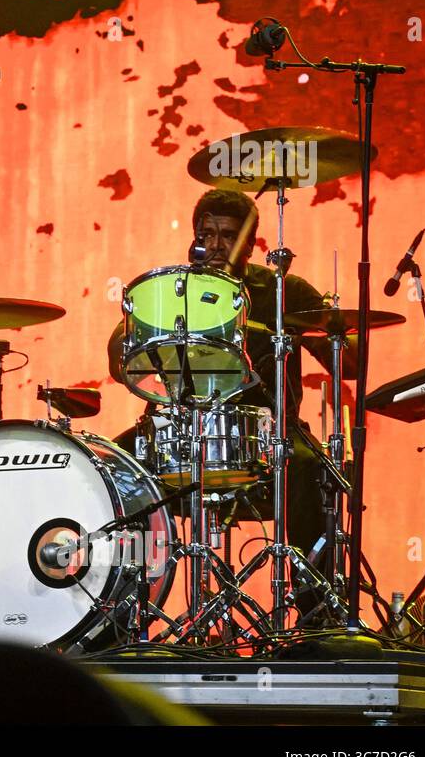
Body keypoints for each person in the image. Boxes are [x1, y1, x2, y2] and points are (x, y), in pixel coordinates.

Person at [109, 189, 355, 592]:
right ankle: (124, 609)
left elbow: (354, 363)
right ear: (195, 238)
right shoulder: (171, 288)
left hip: (267, 430)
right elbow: (117, 360)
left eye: (228, 235)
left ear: (252, 244)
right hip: (180, 430)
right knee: (114, 471)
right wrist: (136, 330)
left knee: (313, 469)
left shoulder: (282, 290)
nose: (217, 245)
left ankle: (317, 614)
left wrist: (336, 325)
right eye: (207, 234)